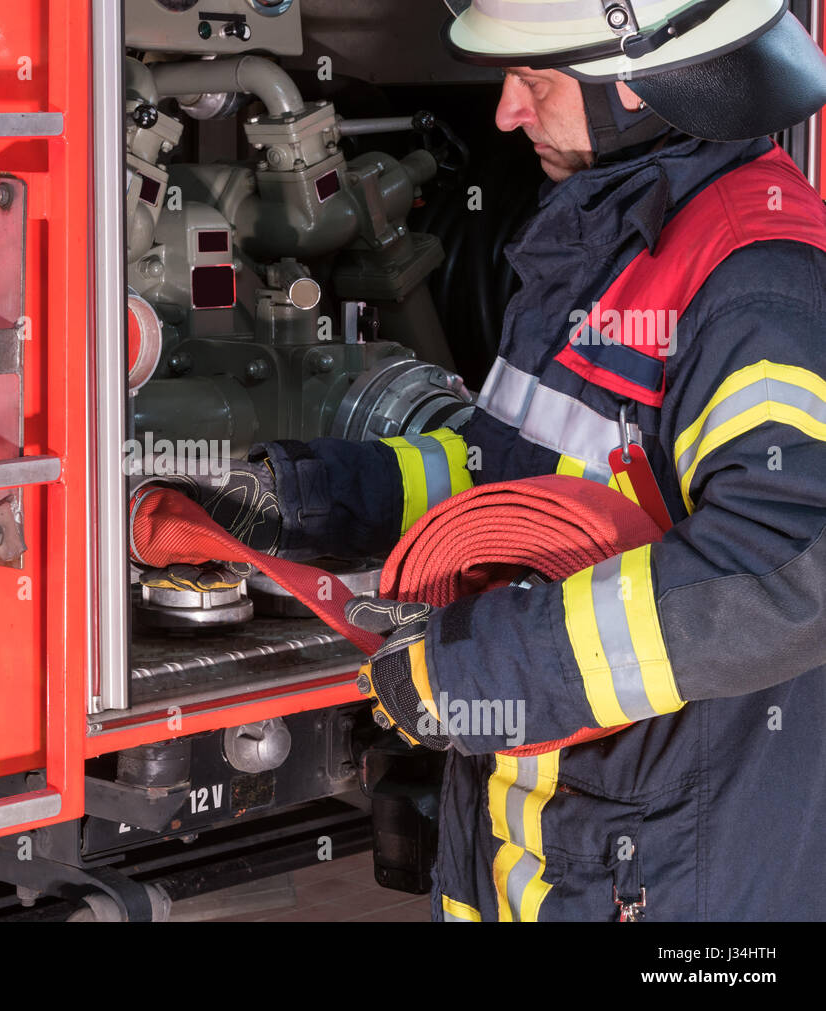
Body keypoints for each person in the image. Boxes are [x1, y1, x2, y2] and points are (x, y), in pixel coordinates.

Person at [146, 0, 826, 920]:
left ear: (643, 83)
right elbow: (511, 482)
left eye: (534, 81)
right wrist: (297, 498)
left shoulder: (755, 284)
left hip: (673, 882)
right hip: (573, 848)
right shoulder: (605, 242)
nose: (505, 112)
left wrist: (479, 672)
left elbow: (785, 570)